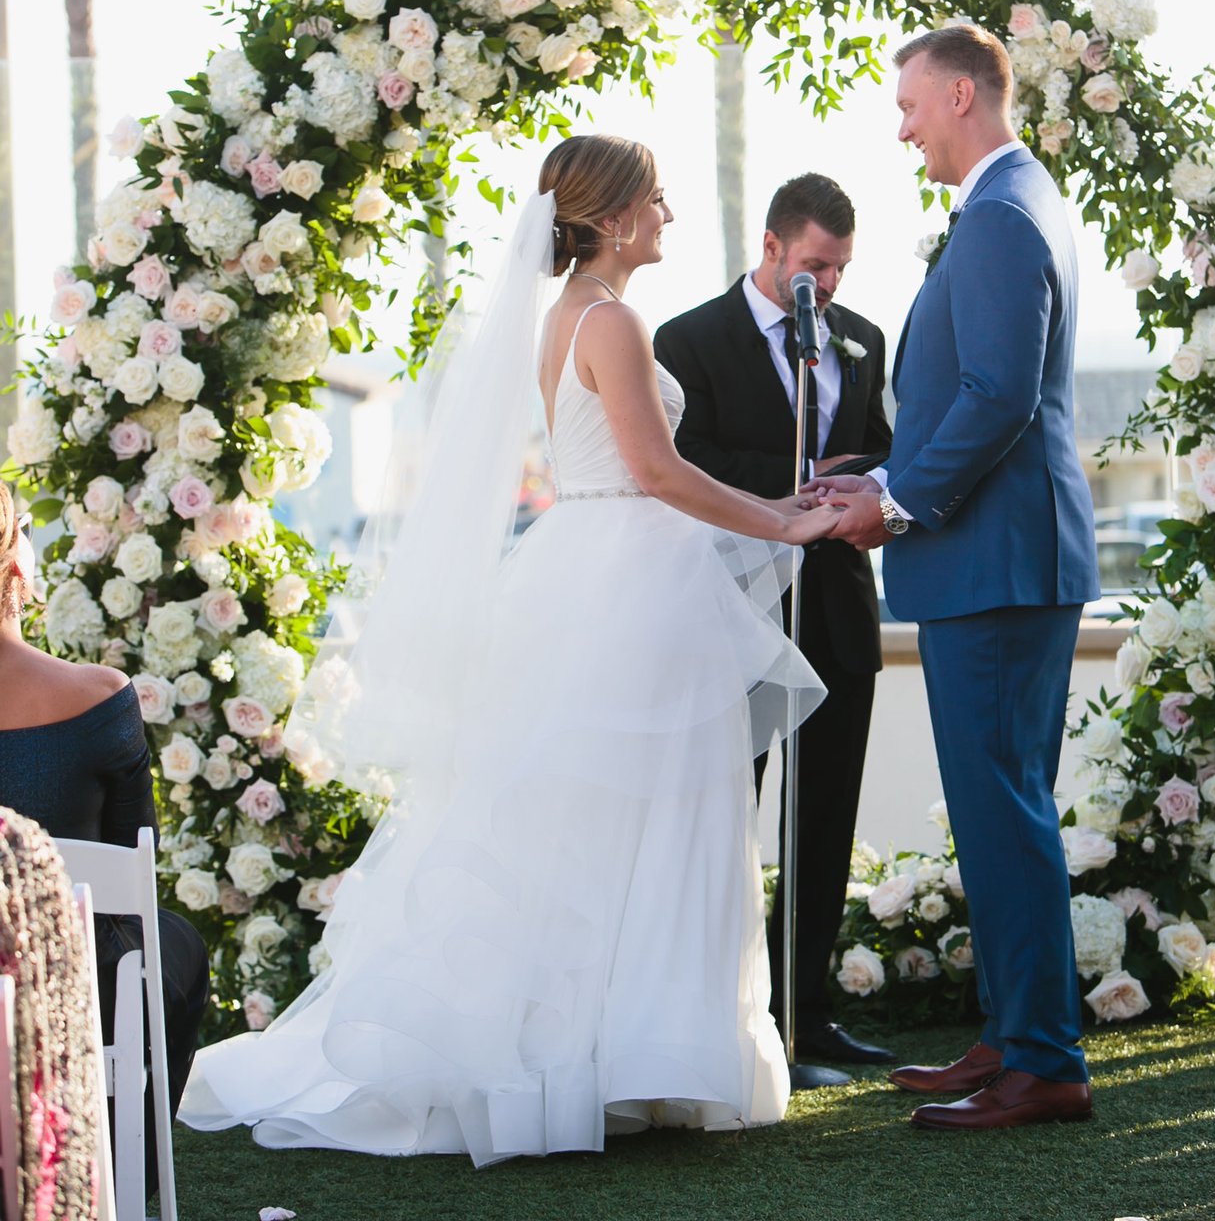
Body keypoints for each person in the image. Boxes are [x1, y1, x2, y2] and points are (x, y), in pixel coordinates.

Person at [181, 135, 840, 1167]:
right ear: (616, 217)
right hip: (627, 583)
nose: (667, 214)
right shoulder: (612, 319)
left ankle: (621, 1054)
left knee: (599, 818)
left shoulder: (567, 316)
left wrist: (774, 503)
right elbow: (656, 474)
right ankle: (621, 1058)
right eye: (656, 200)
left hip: (593, 572)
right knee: (642, 811)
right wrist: (786, 524)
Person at [810, 24, 1100, 1131]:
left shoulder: (996, 215)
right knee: (996, 807)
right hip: (997, 558)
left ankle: (1042, 1062)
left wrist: (888, 504)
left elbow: (994, 397)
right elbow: (968, 402)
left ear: (964, 94)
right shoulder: (1016, 203)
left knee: (1001, 808)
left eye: (910, 105)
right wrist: (877, 470)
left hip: (991, 565)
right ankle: (1011, 1032)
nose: (900, 126)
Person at [653, 174, 894, 1069]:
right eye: (815, 266)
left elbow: (888, 449)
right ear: (771, 249)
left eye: (837, 269)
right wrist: (791, 485)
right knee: (730, 808)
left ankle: (808, 1013)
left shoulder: (864, 340)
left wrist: (854, 471)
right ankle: (724, 1014)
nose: (827, 285)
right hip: (731, 609)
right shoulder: (687, 339)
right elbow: (684, 458)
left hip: (836, 605)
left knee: (827, 814)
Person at [0, 479, 211, 1195]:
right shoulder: (99, 697)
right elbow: (132, 874)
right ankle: (107, 1174)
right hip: (69, 976)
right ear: (17, 567)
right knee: (174, 942)